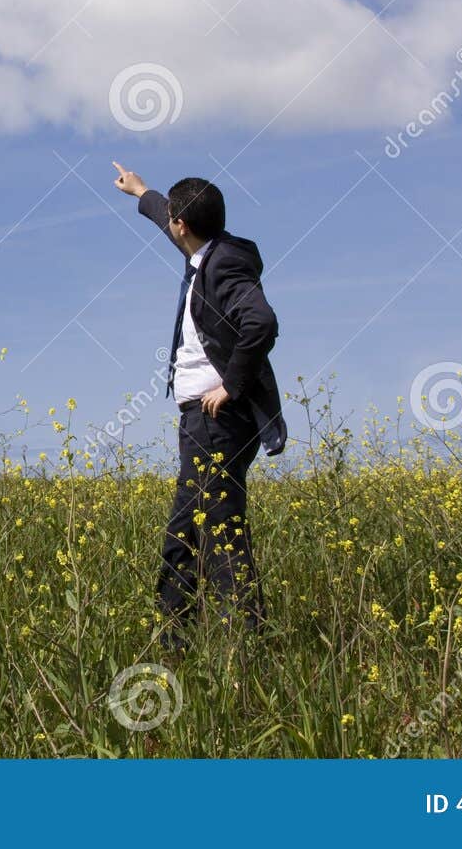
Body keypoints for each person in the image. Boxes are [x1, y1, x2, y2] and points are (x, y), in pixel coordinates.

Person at [113, 162, 286, 644]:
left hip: (217, 418)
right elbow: (171, 226)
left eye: (172, 216)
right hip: (205, 422)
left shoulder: (224, 265)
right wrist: (141, 192)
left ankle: (243, 646)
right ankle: (176, 643)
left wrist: (229, 385)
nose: (170, 223)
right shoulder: (207, 251)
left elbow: (262, 323)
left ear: (183, 224)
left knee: (217, 530)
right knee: (190, 531)